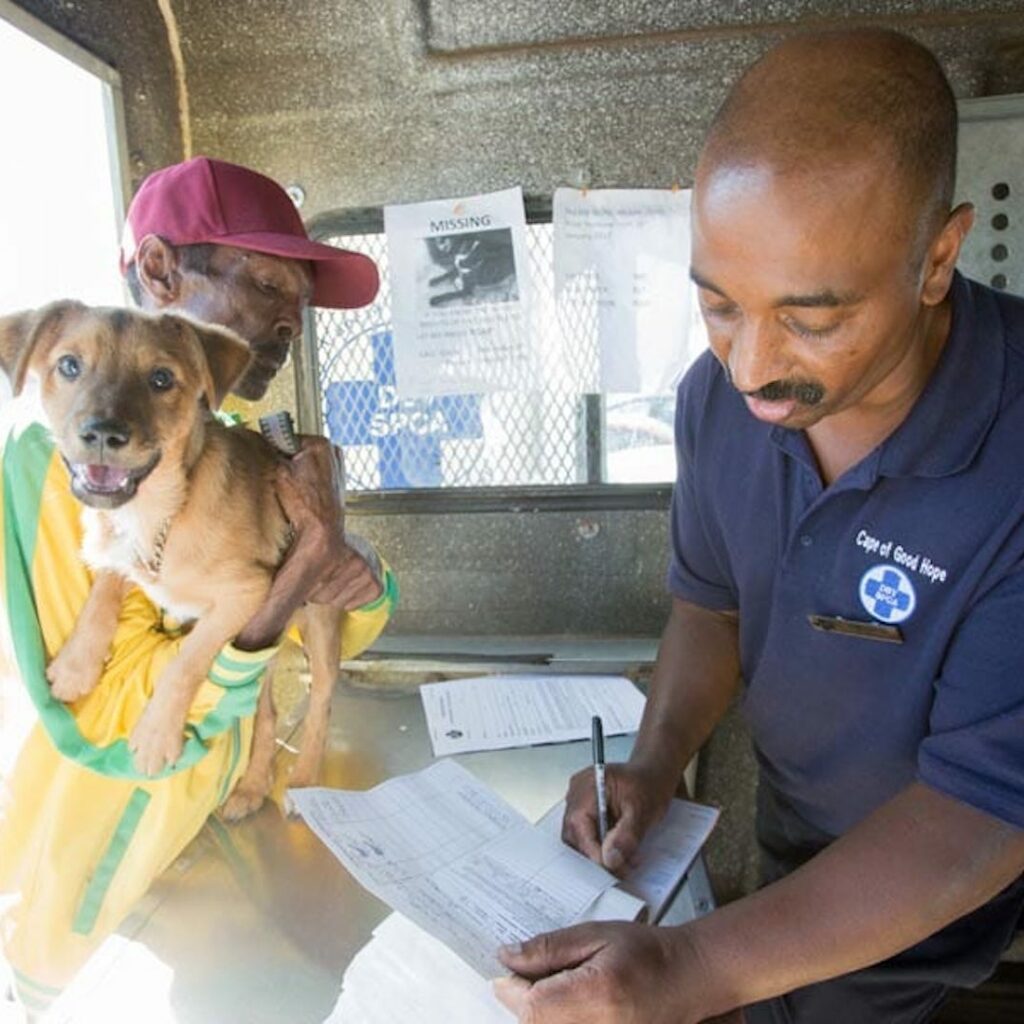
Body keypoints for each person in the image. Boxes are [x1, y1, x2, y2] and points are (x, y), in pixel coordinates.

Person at [495, 28, 1024, 1024]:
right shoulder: (714, 401)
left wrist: (691, 971)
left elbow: (978, 813)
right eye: (718, 306)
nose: (749, 368)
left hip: (935, 884)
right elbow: (711, 608)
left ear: (936, 257)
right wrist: (652, 767)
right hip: (794, 825)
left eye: (810, 319)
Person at [0, 156, 398, 1015]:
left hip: (226, 842)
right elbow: (102, 719)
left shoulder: (241, 435)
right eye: (266, 283)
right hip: (101, 896)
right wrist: (293, 579)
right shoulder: (58, 468)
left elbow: (346, 621)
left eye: (299, 303)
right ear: (158, 271)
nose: (289, 318)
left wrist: (351, 563)